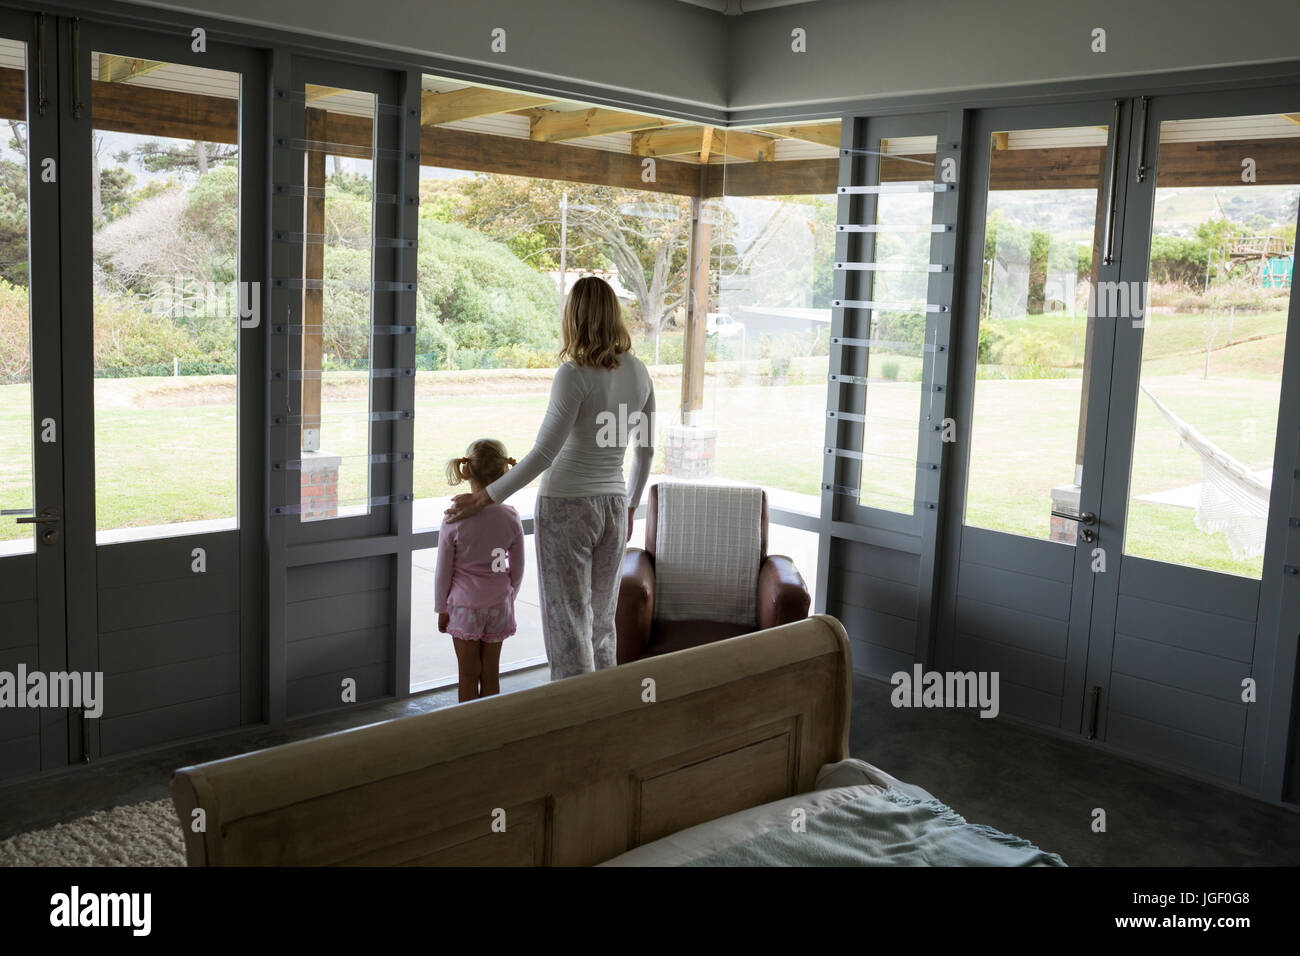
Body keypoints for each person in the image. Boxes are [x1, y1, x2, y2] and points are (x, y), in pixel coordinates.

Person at [443, 276, 655, 681]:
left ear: (574, 318)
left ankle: (573, 723)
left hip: (567, 506)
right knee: (601, 620)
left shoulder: (573, 375)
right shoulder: (640, 372)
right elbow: (645, 451)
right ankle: (605, 715)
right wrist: (630, 505)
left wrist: (486, 496)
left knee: (567, 620)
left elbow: (544, 454)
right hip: (613, 505)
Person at [434, 439, 525, 702]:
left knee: (468, 674)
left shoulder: (454, 517)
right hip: (499, 605)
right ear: (505, 472)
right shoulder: (510, 517)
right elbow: (517, 568)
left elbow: (443, 570)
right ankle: (491, 732)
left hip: (463, 607)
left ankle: (469, 736)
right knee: (490, 674)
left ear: (466, 471)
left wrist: (442, 608)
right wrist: (509, 597)